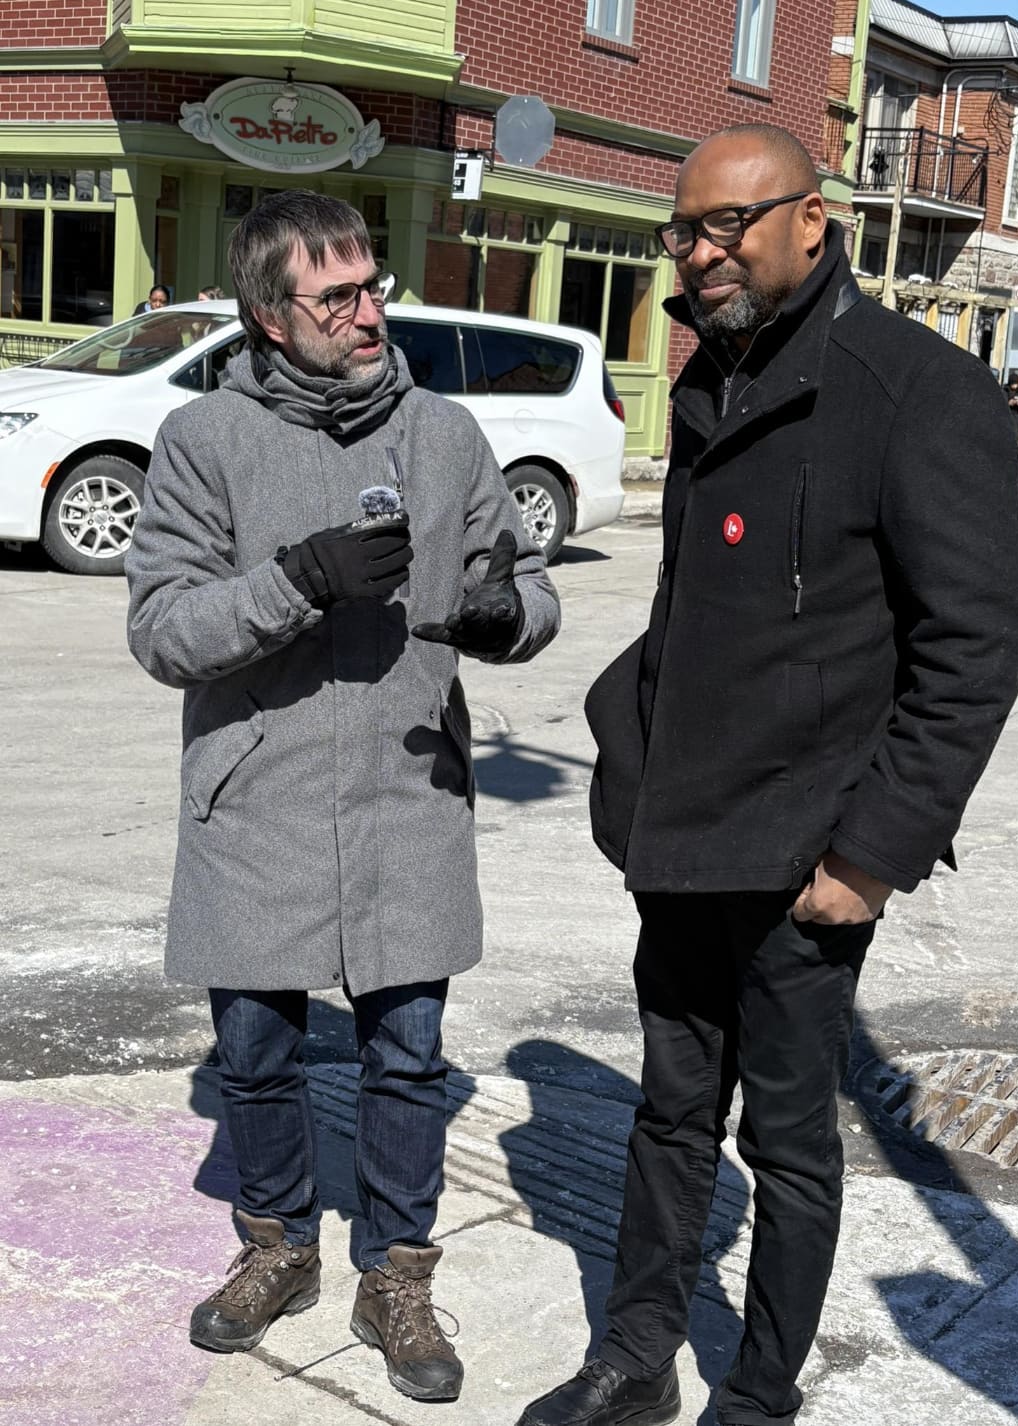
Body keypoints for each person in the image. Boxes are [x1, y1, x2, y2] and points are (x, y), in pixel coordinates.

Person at [518, 123, 1018, 1426]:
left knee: (787, 1145)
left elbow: (973, 645)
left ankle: (756, 1394)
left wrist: (868, 855)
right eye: (682, 230)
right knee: (667, 1112)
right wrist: (630, 757)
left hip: (807, 857)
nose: (699, 252)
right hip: (682, 838)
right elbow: (694, 610)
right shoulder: (713, 377)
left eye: (727, 223)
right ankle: (636, 1357)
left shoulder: (914, 391)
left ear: (812, 219)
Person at [125, 190, 559, 1403]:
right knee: (256, 1052)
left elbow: (527, 586)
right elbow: (163, 631)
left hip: (405, 791)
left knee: (408, 1056)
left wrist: (504, 617)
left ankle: (396, 1272)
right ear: (270, 315)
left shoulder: (444, 434)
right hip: (254, 798)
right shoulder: (204, 439)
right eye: (337, 297)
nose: (369, 312)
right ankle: (275, 1244)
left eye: (374, 286)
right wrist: (297, 580)